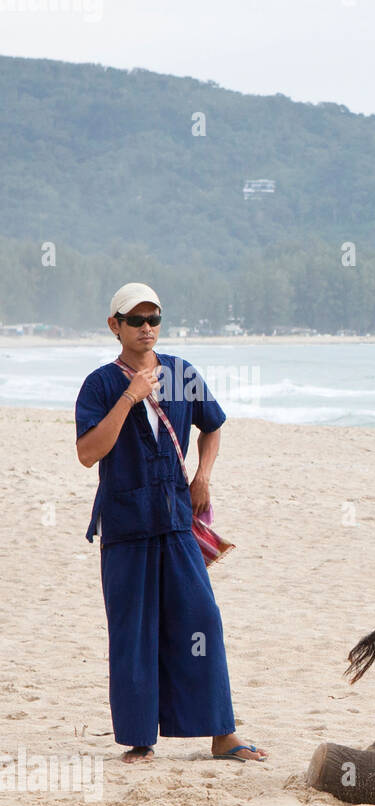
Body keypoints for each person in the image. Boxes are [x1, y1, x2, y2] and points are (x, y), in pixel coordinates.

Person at [74, 283, 267, 764]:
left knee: (201, 620)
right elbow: (87, 453)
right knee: (133, 630)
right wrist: (130, 398)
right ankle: (140, 739)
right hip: (125, 523)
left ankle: (223, 734)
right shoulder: (100, 385)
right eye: (135, 320)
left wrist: (203, 476)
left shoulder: (182, 374)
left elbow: (214, 424)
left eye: (153, 320)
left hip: (177, 518)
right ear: (114, 325)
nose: (146, 329)